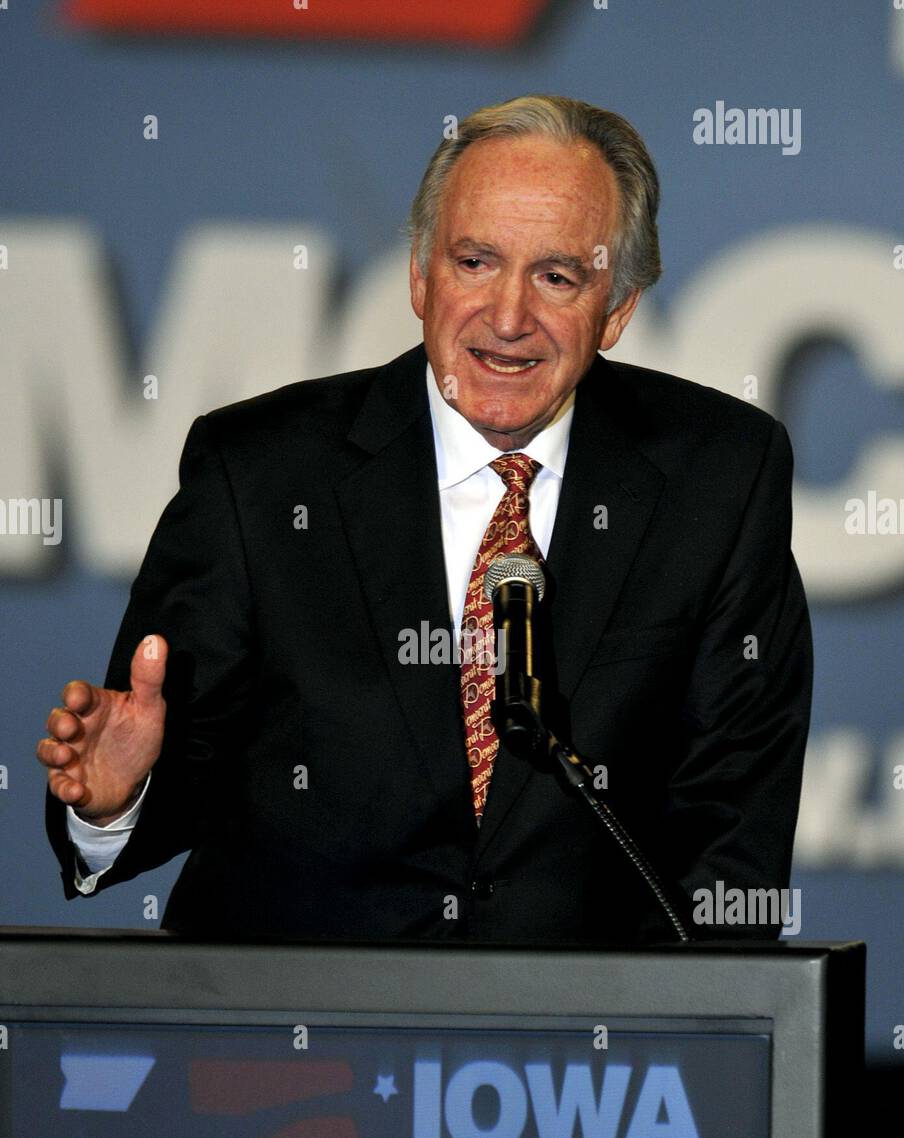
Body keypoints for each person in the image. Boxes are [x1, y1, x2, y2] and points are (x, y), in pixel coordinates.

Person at [38, 94, 812, 946]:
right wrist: (119, 800)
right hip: (295, 1044)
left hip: (585, 1059)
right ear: (419, 275)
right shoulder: (257, 472)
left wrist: (694, 1052)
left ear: (618, 308)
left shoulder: (720, 476)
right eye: (475, 262)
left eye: (557, 277)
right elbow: (170, 771)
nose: (509, 317)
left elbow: (730, 833)